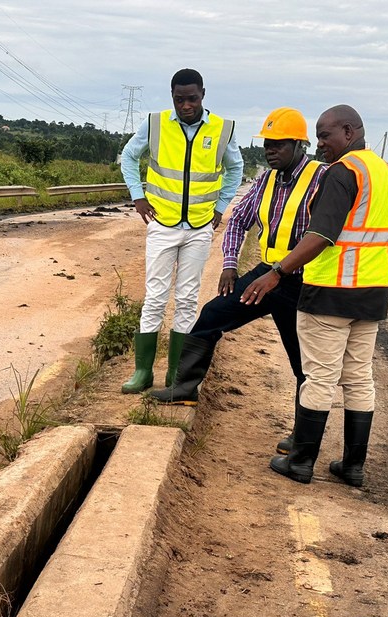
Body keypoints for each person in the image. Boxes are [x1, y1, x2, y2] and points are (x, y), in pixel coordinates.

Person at [244, 104, 388, 486]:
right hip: (373, 289)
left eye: (325, 136)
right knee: (359, 377)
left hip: (332, 290)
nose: (320, 145)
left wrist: (276, 272)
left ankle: (300, 462)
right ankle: (352, 468)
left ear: (348, 132)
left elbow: (322, 235)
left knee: (319, 377)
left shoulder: (342, 172)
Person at [150, 107, 326, 454]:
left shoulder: (321, 178)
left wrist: (283, 273)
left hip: (300, 283)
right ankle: (185, 387)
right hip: (266, 274)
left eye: (278, 144)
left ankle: (302, 437)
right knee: (212, 316)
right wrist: (229, 264)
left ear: (299, 144)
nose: (270, 150)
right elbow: (237, 221)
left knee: (302, 362)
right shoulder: (265, 180)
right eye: (267, 144)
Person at [119, 68, 244, 394]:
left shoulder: (221, 129)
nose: (185, 105)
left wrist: (220, 208)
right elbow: (129, 157)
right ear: (172, 96)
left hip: (200, 226)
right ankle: (143, 372)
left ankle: (177, 374)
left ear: (203, 94)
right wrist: (137, 195)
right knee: (155, 297)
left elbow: (236, 168)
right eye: (179, 99)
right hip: (162, 223)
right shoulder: (157, 123)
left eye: (192, 98)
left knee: (188, 299)